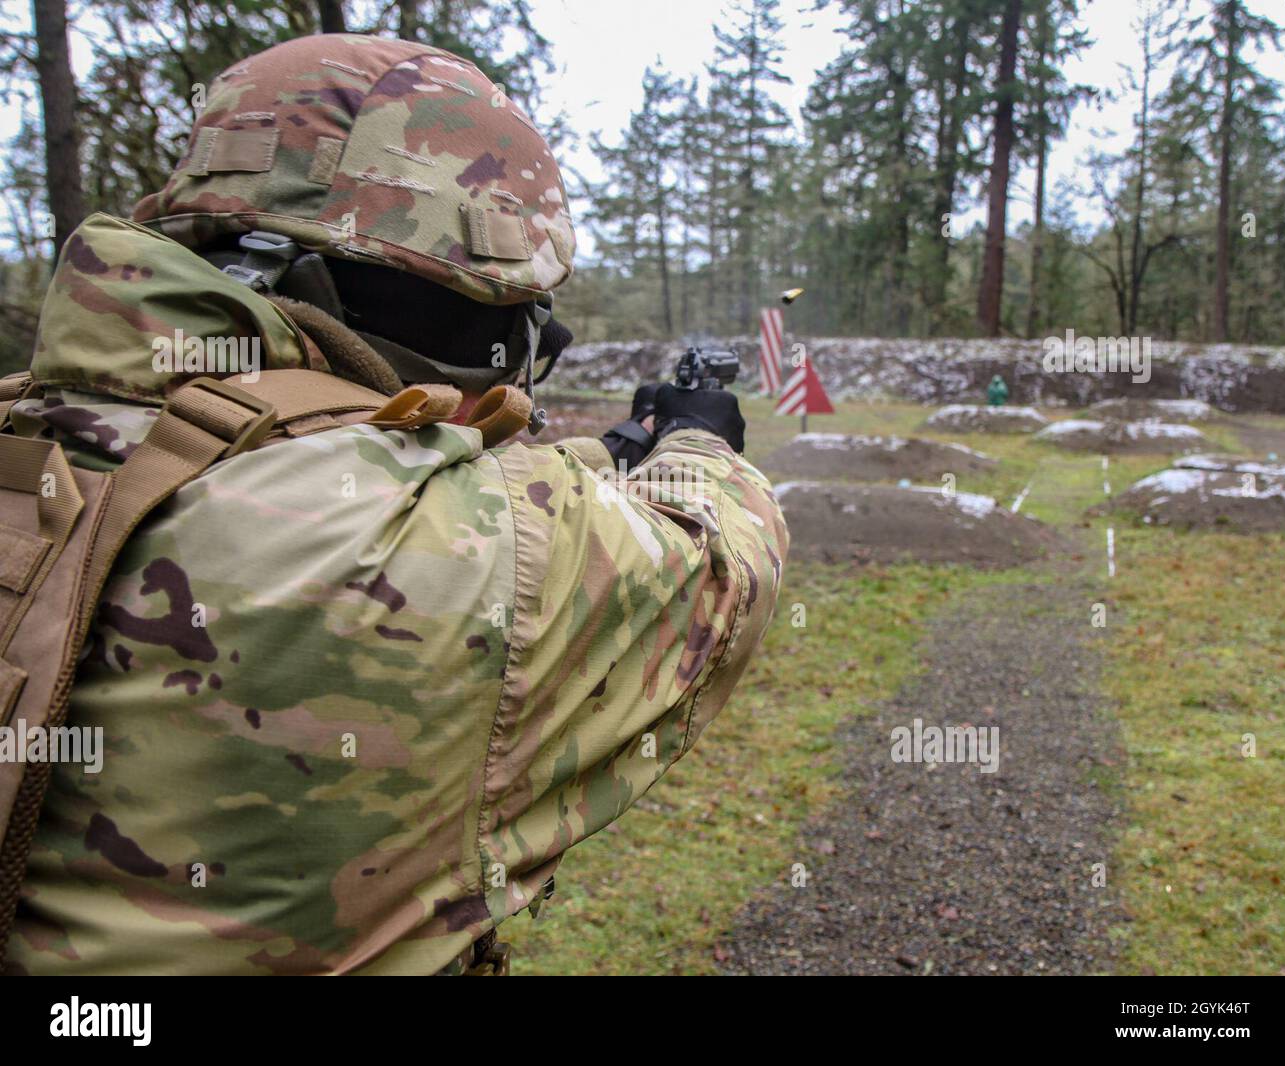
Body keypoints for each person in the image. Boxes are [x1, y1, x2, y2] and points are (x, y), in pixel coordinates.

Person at [1, 34, 786, 975]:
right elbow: (724, 568)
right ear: (471, 322)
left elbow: (330, 457)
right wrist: (699, 443)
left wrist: (606, 453)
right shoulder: (456, 549)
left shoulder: (44, 426)